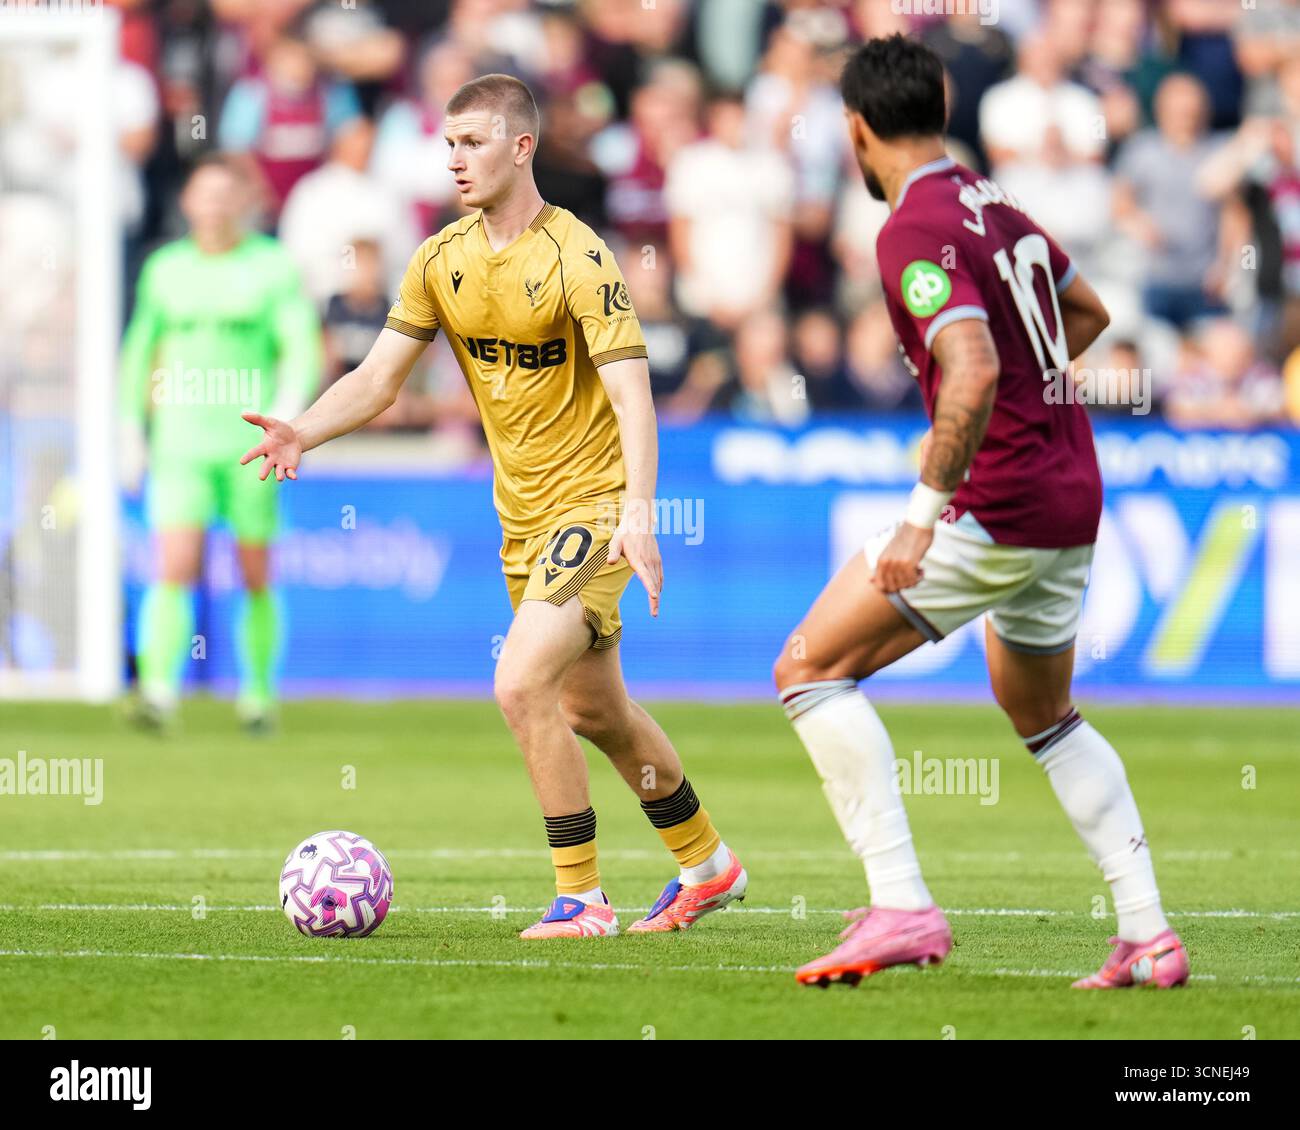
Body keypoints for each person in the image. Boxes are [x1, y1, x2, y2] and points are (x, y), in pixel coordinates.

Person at [241, 74, 747, 940]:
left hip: (593, 509)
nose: (455, 159)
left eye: (473, 142)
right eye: (447, 143)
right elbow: (376, 379)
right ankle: (708, 865)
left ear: (522, 147)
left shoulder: (581, 258)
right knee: (595, 712)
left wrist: (639, 512)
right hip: (522, 520)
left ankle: (581, 897)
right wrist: (303, 431)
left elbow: (634, 395)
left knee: (519, 683)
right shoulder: (442, 260)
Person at [773, 35, 1189, 991]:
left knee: (809, 669)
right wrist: (1035, 399)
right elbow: (1084, 312)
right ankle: (1147, 933)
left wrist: (924, 514)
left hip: (996, 502)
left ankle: (901, 904)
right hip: (1072, 490)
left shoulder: (911, 228)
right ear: (944, 110)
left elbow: (971, 366)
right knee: (1043, 715)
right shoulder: (994, 203)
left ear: (857, 129)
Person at [119, 153, 321, 731]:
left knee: (254, 568)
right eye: (202, 195)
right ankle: (158, 691)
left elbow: (300, 346)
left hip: (248, 445)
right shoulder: (165, 268)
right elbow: (139, 349)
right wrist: (130, 427)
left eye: (224, 195)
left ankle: (257, 696)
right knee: (173, 565)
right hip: (180, 442)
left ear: (242, 203)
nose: (213, 207)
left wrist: (286, 415)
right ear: (187, 203)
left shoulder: (272, 267)